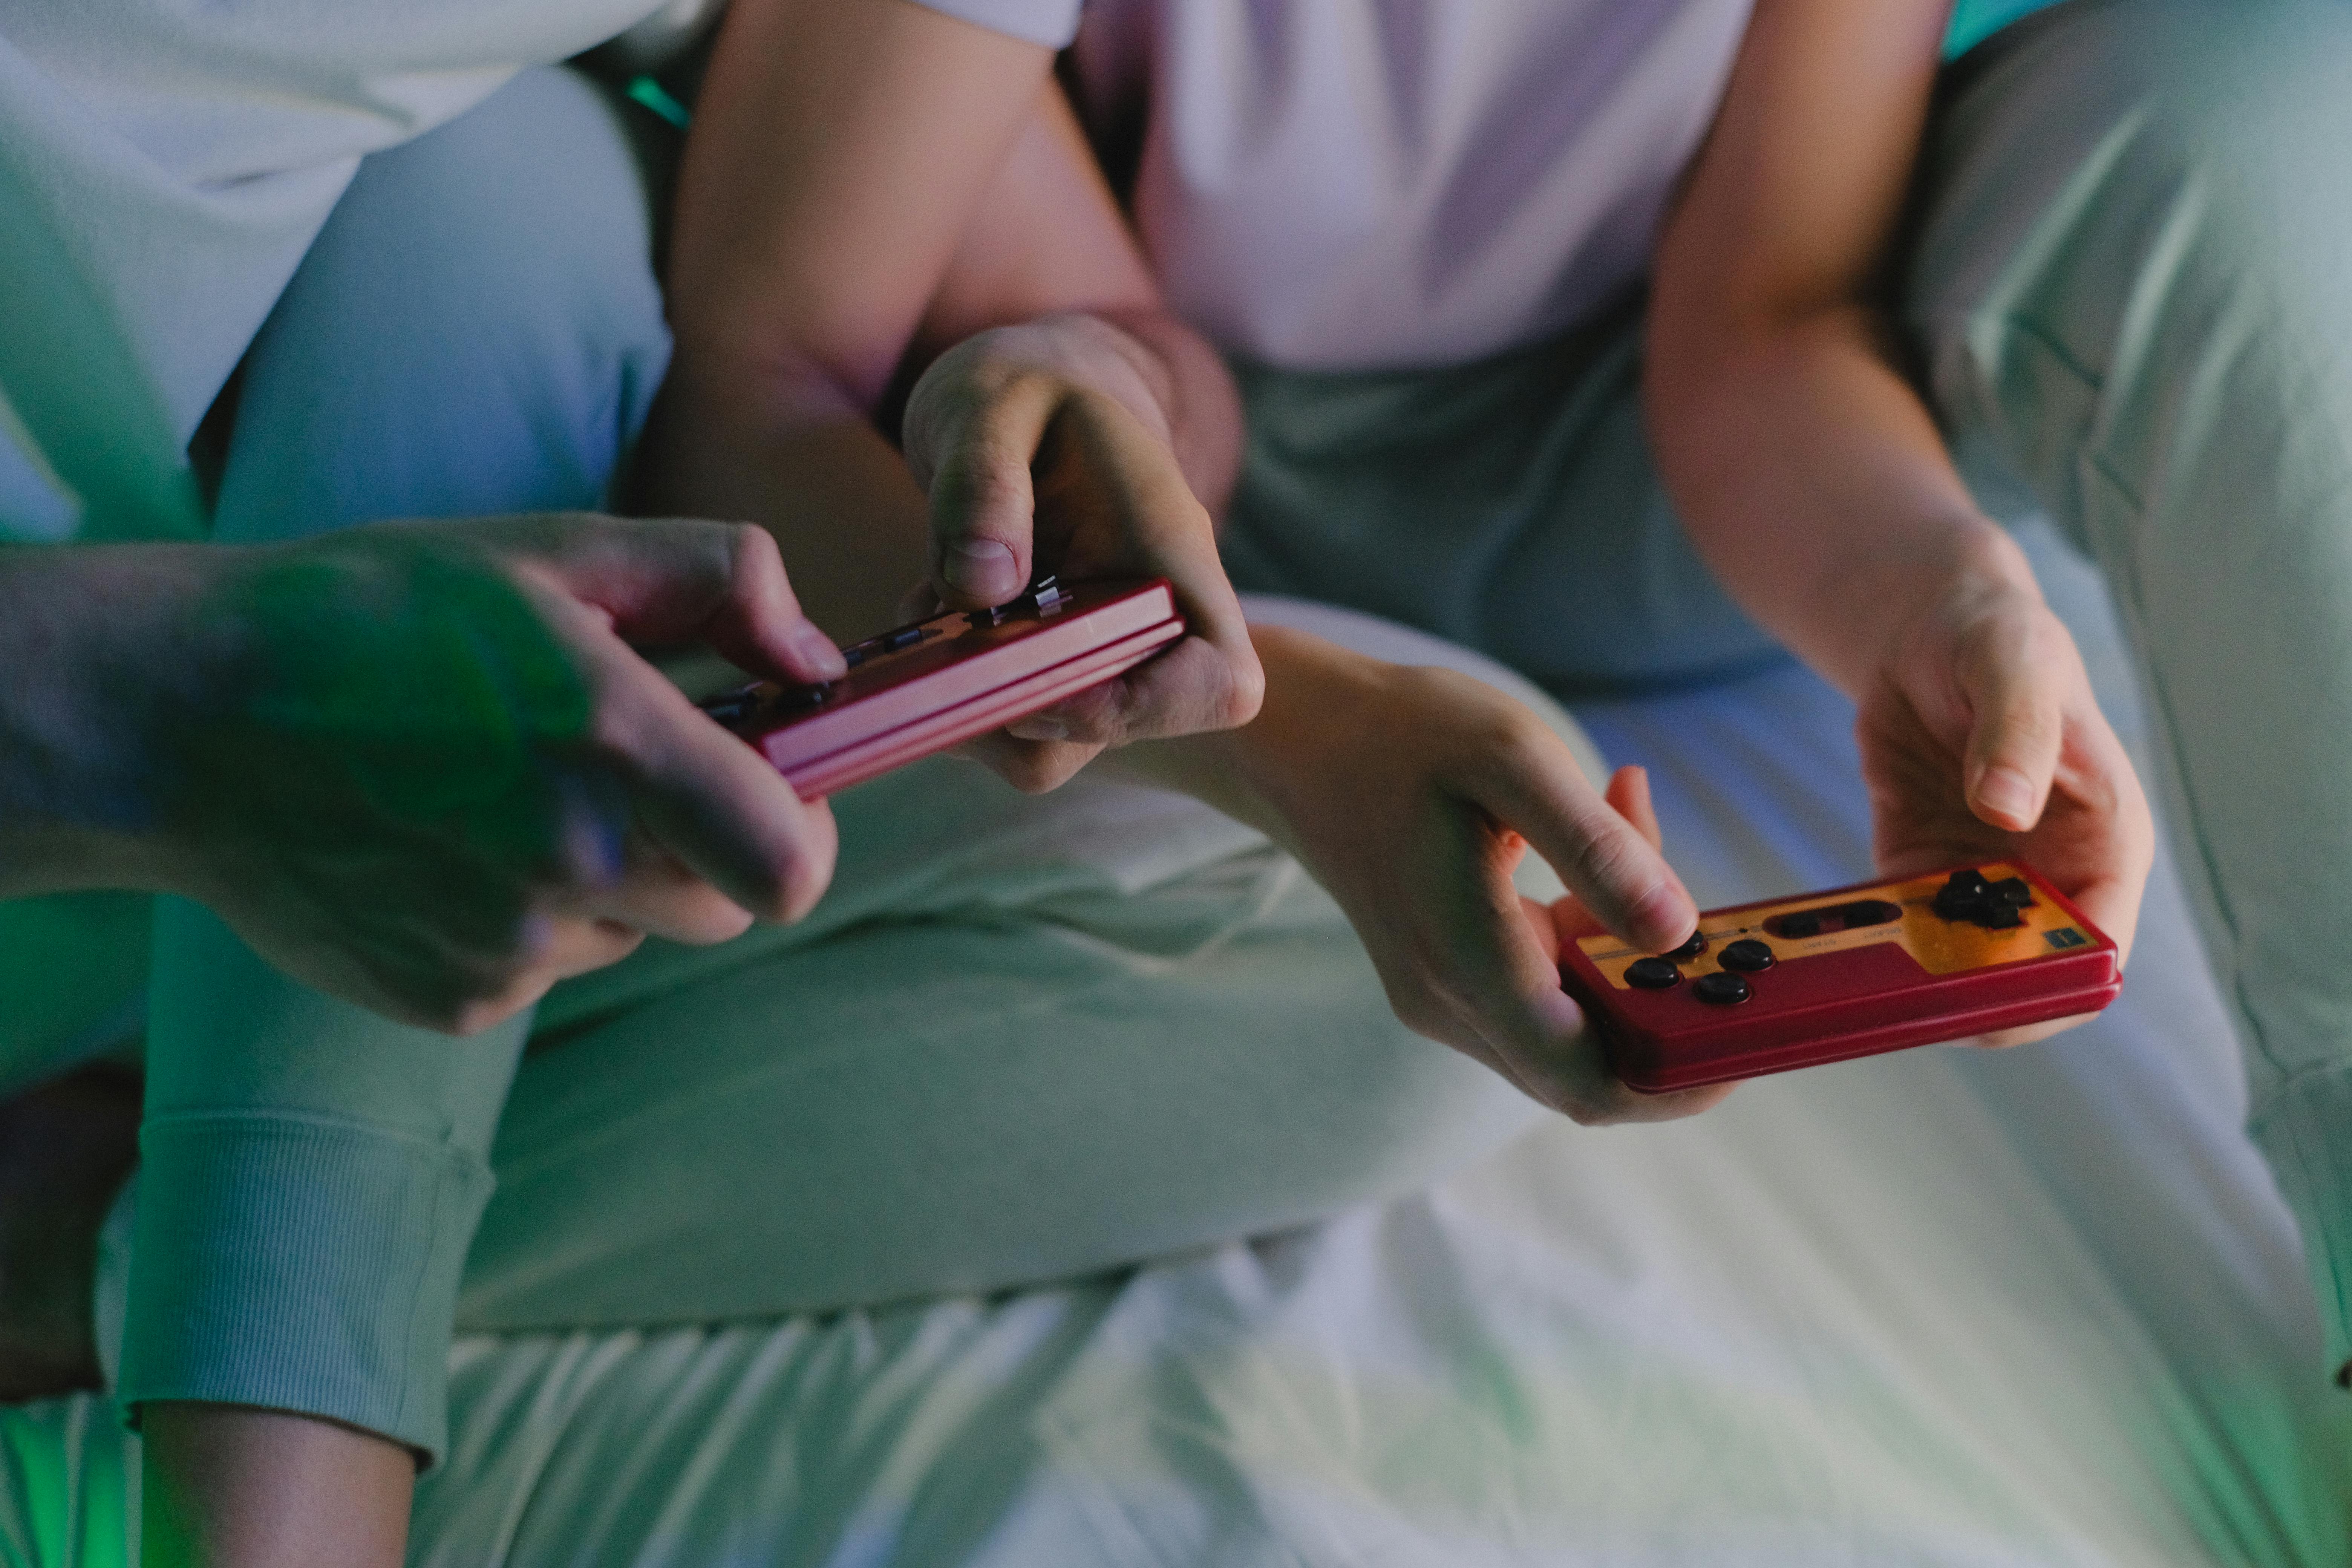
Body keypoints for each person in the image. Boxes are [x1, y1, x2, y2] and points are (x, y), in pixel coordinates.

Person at [2, 6, 1707, 1562]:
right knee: (511, 187)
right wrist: (176, 717)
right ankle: (258, 1392)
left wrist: (1137, 469)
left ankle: (131, 1231)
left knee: (1413, 960)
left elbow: (1012, 323)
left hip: (309, 815)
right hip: (100, 774)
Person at [646, 0, 2352, 1414]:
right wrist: (1234, 639)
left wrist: (1939, 588)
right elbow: (792, 361)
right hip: (1189, 481)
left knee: (2273, 99)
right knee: (1414, 1027)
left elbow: (1762, 324)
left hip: (1662, 465)